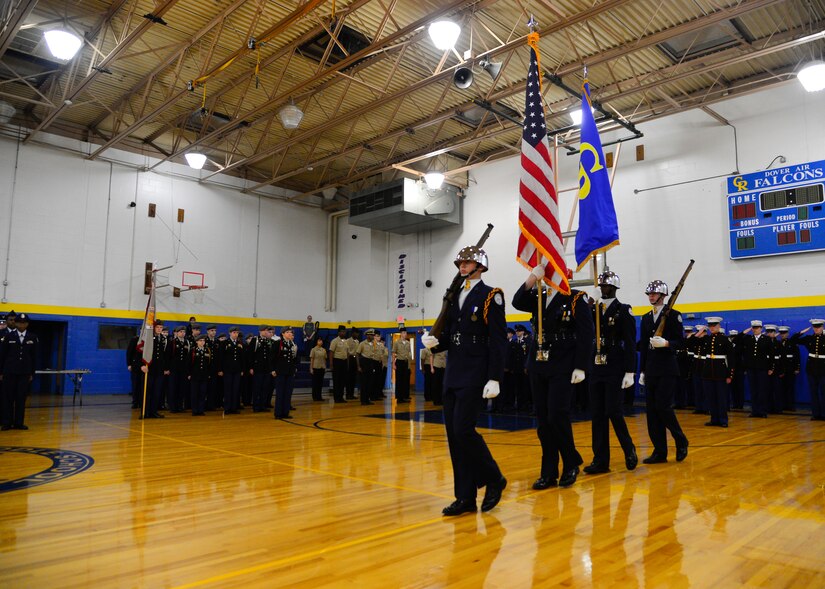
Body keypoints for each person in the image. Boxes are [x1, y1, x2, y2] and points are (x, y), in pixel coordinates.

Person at [422, 245, 507, 515]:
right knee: (454, 438)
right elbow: (452, 335)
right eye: (460, 262)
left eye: (468, 262)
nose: (462, 265)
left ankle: (494, 478)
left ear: (480, 266)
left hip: (475, 372)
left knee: (463, 431)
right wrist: (434, 344)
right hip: (454, 372)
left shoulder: (491, 295)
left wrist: (494, 377)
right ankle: (465, 497)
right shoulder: (455, 295)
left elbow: (497, 340)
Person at [512, 264, 593, 489]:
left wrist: (581, 367)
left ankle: (569, 464)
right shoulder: (539, 297)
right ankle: (548, 472)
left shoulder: (576, 299)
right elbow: (517, 301)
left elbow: (587, 336)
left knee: (557, 417)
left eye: (553, 276)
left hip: (563, 365)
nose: (549, 280)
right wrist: (531, 278)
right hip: (538, 364)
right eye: (547, 277)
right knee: (542, 421)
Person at [585, 270, 638, 474]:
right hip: (596, 366)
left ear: (614, 288)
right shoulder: (593, 309)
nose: (602, 288)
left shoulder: (623, 310)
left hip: (615, 366)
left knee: (613, 412)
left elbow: (631, 343)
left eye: (606, 286)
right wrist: (591, 301)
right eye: (601, 285)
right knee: (597, 414)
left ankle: (628, 448)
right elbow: (577, 318)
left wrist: (630, 371)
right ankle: (600, 460)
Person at [638, 279, 689, 464]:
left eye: (654, 293)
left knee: (663, 408)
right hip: (651, 370)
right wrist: (641, 370)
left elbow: (681, 342)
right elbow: (644, 346)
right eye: (649, 294)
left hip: (667, 369)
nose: (651, 296)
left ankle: (680, 439)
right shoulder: (645, 318)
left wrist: (667, 343)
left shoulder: (674, 315)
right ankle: (660, 451)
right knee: (652, 413)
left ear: (663, 296)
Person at [0, 313, 39, 430]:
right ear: (15, 323)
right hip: (9, 372)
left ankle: (19, 423)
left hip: (24, 373)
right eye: (19, 322)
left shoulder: (32, 337)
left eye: (24, 322)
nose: (21, 325)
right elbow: (2, 355)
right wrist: (1, 372)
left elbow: (34, 357)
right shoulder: (8, 337)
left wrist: (32, 373)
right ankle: (7, 422)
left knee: (21, 398)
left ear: (27, 324)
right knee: (8, 398)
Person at [696, 317, 734, 427]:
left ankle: (723, 420)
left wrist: (730, 375)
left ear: (719, 326)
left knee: (721, 398)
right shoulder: (706, 339)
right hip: (708, 372)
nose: (712, 328)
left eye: (714, 326)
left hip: (721, 373)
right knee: (711, 398)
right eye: (710, 326)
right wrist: (700, 331)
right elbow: (692, 342)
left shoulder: (725, 340)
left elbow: (731, 358)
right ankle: (714, 419)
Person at [734, 320, 773, 418]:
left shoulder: (766, 339)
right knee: (753, 390)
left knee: (762, 390)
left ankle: (762, 411)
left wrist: (771, 367)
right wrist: (744, 332)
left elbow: (771, 354)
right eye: (753, 328)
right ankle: (755, 411)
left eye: (757, 328)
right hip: (751, 368)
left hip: (762, 368)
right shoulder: (748, 339)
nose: (755, 330)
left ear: (761, 328)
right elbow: (735, 340)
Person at [791, 319, 825, 420]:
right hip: (811, 368)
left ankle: (823, 414)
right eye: (815, 327)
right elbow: (793, 340)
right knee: (813, 392)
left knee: (824, 392)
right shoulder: (809, 338)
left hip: (823, 368)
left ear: (822, 327)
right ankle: (816, 414)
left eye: (819, 327)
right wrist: (801, 332)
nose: (817, 329)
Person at [248, 325, 276, 412]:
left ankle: (263, 406)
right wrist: (251, 367)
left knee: (265, 388)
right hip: (258, 368)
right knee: (257, 388)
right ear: (260, 331)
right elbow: (250, 355)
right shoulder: (255, 340)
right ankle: (256, 406)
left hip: (266, 368)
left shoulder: (269, 341)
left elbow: (270, 356)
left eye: (267, 331)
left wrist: (271, 368)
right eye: (264, 330)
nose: (266, 332)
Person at [218, 326, 245, 414]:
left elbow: (241, 358)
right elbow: (220, 357)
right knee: (228, 389)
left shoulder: (240, 343)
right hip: (227, 370)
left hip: (237, 370)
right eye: (234, 332)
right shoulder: (225, 343)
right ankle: (227, 408)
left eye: (237, 333)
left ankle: (234, 408)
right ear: (230, 333)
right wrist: (220, 369)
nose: (236, 334)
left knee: (235, 389)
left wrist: (241, 369)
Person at [274, 327, 298, 419]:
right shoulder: (278, 343)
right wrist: (273, 370)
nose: (289, 333)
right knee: (280, 393)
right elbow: (272, 357)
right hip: (280, 372)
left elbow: (294, 358)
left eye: (290, 332)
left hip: (290, 372)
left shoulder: (293, 344)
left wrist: (294, 368)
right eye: (287, 332)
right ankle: (278, 413)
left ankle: (285, 412)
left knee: (288, 393)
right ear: (283, 334)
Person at [168, 326, 191, 413]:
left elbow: (188, 357)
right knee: (173, 388)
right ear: (177, 333)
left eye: (184, 332)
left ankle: (180, 406)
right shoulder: (172, 342)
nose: (182, 333)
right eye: (180, 332)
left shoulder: (187, 342)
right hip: (174, 369)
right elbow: (169, 356)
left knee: (182, 388)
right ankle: (173, 407)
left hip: (183, 370)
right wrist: (168, 368)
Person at [777, 326, 800, 411]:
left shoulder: (792, 343)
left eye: (784, 333)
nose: (782, 335)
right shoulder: (778, 343)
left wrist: (797, 368)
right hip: (781, 368)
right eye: (781, 333)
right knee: (782, 388)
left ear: (787, 333)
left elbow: (797, 356)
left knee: (790, 387)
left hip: (790, 368)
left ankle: (790, 405)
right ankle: (783, 404)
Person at [189, 334, 211, 416]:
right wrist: (189, 374)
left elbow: (209, 363)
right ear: (197, 342)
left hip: (204, 375)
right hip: (195, 375)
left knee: (202, 393)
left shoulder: (207, 350)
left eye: (203, 341)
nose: (202, 342)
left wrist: (208, 374)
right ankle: (194, 410)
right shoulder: (193, 350)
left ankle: (201, 409)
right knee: (195, 393)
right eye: (200, 341)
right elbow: (189, 363)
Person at [356, 329, 379, 405]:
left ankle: (367, 399)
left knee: (370, 382)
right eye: (372, 335)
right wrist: (359, 366)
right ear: (367, 335)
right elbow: (357, 354)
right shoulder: (362, 344)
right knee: (364, 382)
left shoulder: (373, 344)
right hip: (364, 362)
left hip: (371, 362)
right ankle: (363, 400)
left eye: (373, 335)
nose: (373, 336)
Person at [329, 325, 349, 403]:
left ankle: (341, 397)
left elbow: (347, 353)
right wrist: (331, 364)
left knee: (342, 381)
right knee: (336, 381)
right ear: (339, 332)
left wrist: (347, 363)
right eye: (342, 332)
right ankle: (336, 398)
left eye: (345, 332)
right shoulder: (334, 341)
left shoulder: (346, 341)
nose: (344, 333)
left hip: (344, 362)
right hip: (337, 362)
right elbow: (331, 352)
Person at [392, 327, 413, 403]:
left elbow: (409, 353)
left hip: (406, 362)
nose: (405, 334)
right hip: (399, 362)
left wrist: (409, 365)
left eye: (406, 333)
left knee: (405, 380)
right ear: (401, 334)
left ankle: (405, 396)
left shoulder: (408, 343)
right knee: (399, 380)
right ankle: (399, 397)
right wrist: (393, 364)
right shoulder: (397, 342)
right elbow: (394, 353)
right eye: (403, 333)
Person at [126, 329, 144, 409]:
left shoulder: (149, 340)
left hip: (144, 366)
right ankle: (135, 402)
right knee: (135, 384)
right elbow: (129, 352)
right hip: (135, 365)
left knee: (142, 385)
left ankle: (141, 402)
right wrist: (129, 364)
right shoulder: (135, 339)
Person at [309, 337, 327, 401]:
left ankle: (319, 396)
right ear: (316, 342)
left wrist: (325, 367)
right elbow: (312, 359)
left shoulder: (324, 350)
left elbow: (325, 359)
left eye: (321, 341)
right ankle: (315, 397)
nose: (321, 342)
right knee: (315, 383)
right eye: (319, 340)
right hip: (315, 367)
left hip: (322, 368)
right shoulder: (313, 349)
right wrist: (311, 368)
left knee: (320, 383)